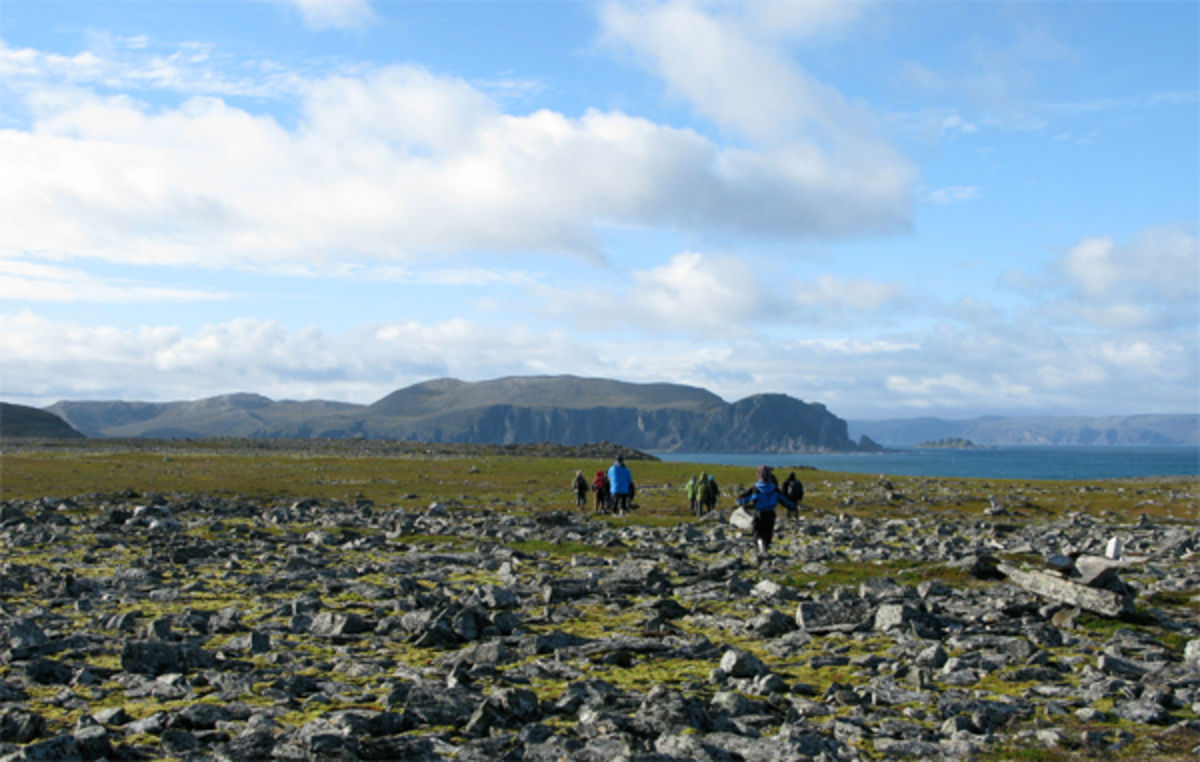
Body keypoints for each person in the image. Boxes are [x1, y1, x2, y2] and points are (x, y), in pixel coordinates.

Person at [737, 465, 796, 559]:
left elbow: (741, 500)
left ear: (759, 475)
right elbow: (784, 500)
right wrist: (792, 507)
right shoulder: (774, 488)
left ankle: (761, 548)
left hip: (759, 513)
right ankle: (766, 549)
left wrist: (742, 503)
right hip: (770, 514)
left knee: (757, 532)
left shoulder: (755, 488)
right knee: (768, 533)